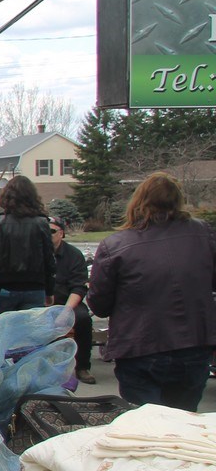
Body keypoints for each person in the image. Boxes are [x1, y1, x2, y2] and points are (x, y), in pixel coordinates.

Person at [88, 172, 216, 411]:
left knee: (145, 424)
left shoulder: (116, 246)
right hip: (193, 345)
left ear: (138, 202)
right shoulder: (203, 234)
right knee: (183, 421)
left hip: (141, 348)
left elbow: (99, 304)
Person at [0, 175, 54, 314]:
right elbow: (49, 261)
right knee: (30, 327)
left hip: (5, 287)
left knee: (4, 326)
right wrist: (49, 290)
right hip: (34, 287)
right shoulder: (41, 223)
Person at [50, 217, 95, 385]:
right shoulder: (36, 253)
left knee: (83, 319)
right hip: (43, 302)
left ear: (61, 233)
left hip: (68, 301)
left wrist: (66, 311)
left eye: (52, 231)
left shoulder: (74, 255)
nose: (47, 235)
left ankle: (82, 366)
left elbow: (79, 287)